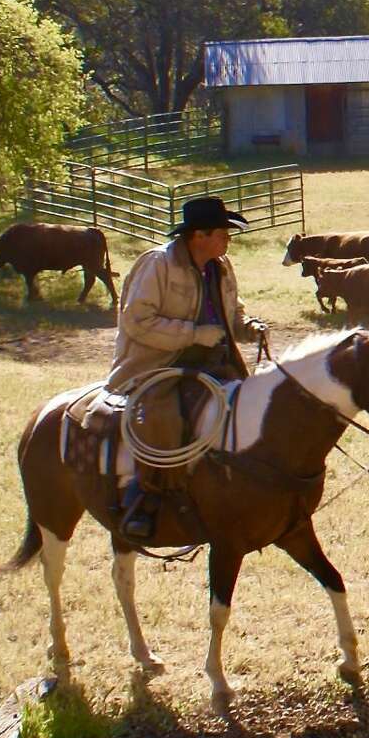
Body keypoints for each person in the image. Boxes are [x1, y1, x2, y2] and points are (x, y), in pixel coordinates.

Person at [112, 196, 252, 541]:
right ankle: (146, 498)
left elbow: (233, 311)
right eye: (222, 233)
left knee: (257, 406)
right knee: (164, 419)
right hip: (158, 365)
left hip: (215, 360)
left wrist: (249, 324)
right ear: (198, 235)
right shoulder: (158, 264)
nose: (228, 240)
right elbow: (137, 320)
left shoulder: (221, 265)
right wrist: (193, 334)